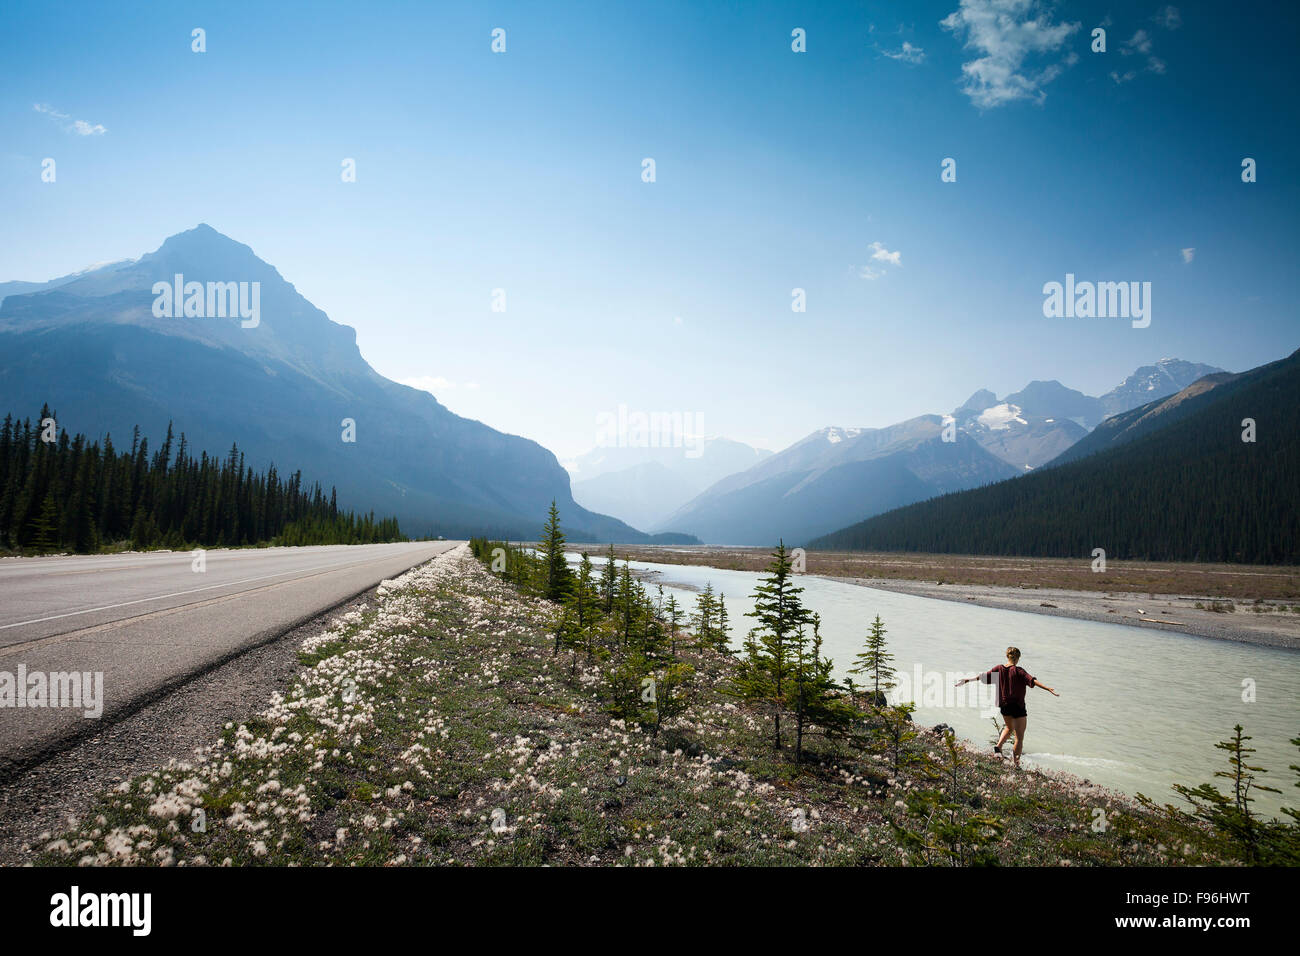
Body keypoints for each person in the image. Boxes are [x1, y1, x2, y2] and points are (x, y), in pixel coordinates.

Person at [955, 646, 1058, 769]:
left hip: (1004, 705)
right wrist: (1047, 688)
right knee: (1019, 737)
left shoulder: (999, 669)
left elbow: (983, 676)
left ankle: (998, 746)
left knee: (1009, 728)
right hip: (1018, 706)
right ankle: (1016, 764)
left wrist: (967, 680)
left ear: (1007, 656)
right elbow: (1032, 681)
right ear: (1018, 658)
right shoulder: (1019, 671)